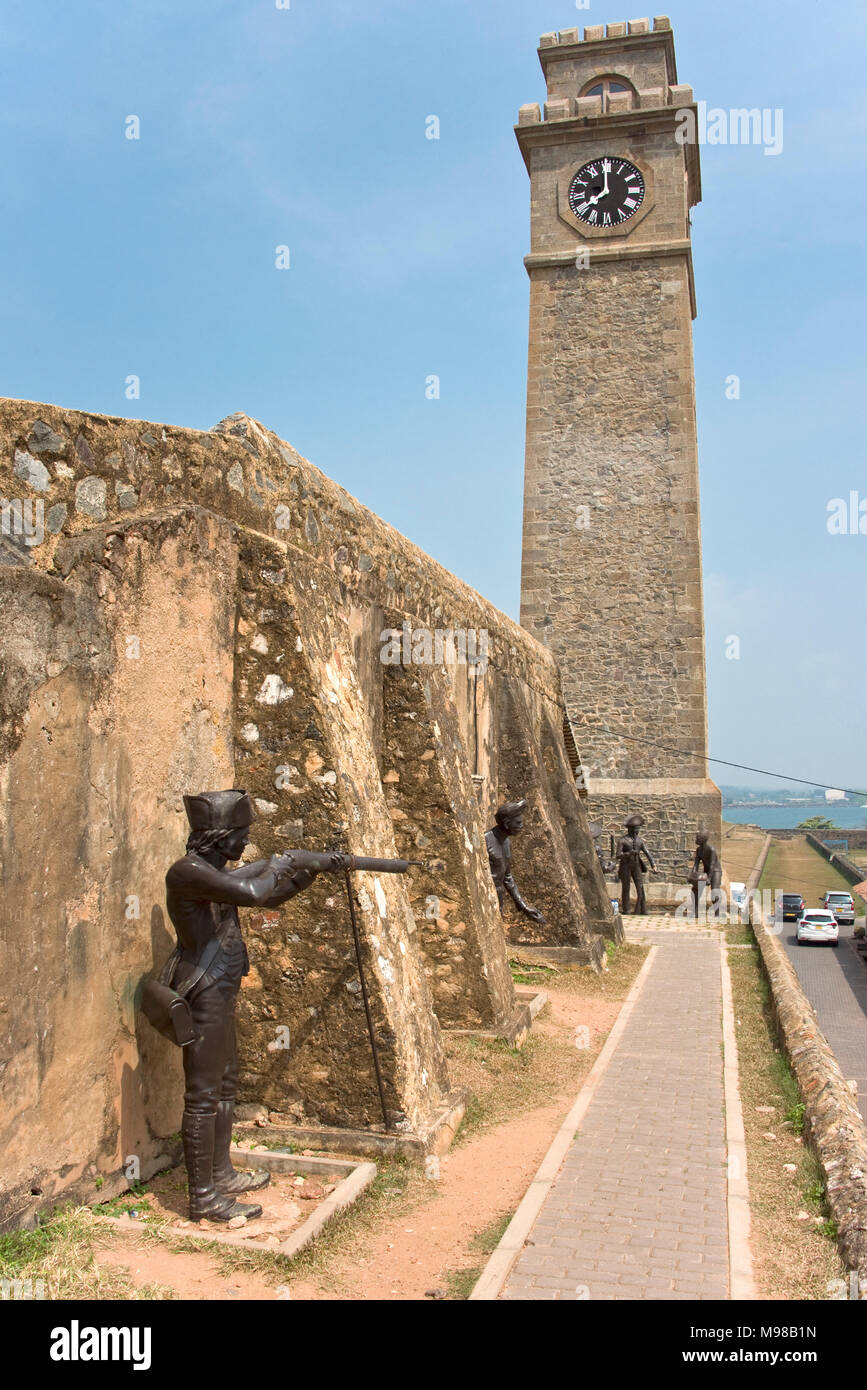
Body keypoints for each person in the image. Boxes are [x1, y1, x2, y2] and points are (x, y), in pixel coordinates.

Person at [164, 789, 348, 1223]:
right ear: (220, 835)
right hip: (204, 988)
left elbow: (264, 895)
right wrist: (281, 863)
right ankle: (203, 1196)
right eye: (241, 834)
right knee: (204, 1095)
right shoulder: (188, 872)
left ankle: (221, 1172)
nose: (246, 842)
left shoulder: (214, 872)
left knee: (226, 1084)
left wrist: (306, 875)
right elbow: (251, 891)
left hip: (222, 987)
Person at [485, 799, 545, 924]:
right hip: (485, 900)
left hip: (497, 899)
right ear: (507, 824)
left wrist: (523, 905)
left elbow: (507, 877)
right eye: (518, 823)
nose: (521, 826)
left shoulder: (506, 842)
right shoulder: (486, 840)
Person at [614, 814, 655, 915]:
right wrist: (628, 853)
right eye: (635, 829)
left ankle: (642, 908)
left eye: (638, 829)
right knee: (626, 888)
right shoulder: (622, 840)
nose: (637, 831)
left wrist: (653, 865)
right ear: (630, 829)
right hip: (625, 866)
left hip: (636, 866)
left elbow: (647, 853)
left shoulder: (639, 841)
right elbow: (618, 855)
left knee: (640, 887)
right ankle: (626, 909)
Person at [688, 830, 723, 921]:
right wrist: (693, 875)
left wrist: (709, 878)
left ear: (703, 839)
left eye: (698, 838)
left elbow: (712, 865)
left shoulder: (711, 850)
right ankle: (695, 912)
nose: (696, 839)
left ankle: (717, 913)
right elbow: (696, 864)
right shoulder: (698, 850)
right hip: (707, 871)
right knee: (695, 891)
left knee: (715, 891)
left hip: (716, 871)